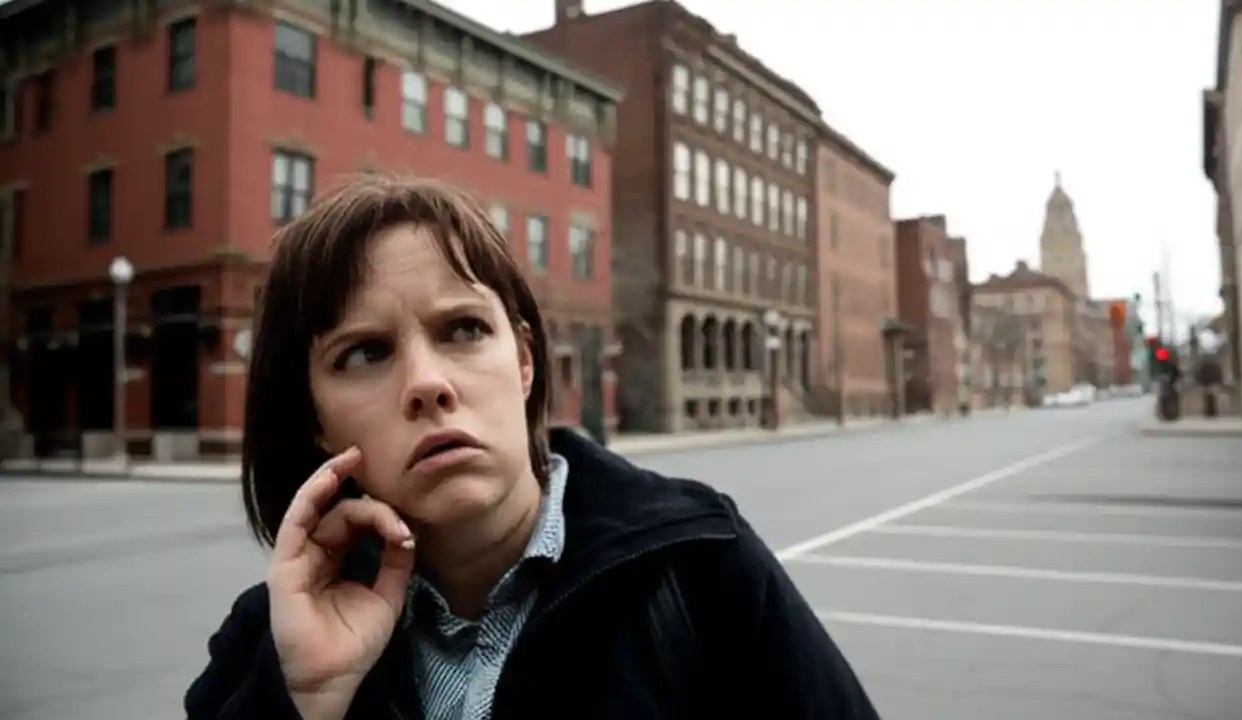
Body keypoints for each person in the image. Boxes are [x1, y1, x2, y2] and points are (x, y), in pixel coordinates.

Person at [184, 176, 879, 720]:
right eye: (364, 352)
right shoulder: (269, 642)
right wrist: (304, 701)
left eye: (461, 330)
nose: (427, 384)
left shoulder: (698, 571)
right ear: (315, 419)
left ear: (523, 360)